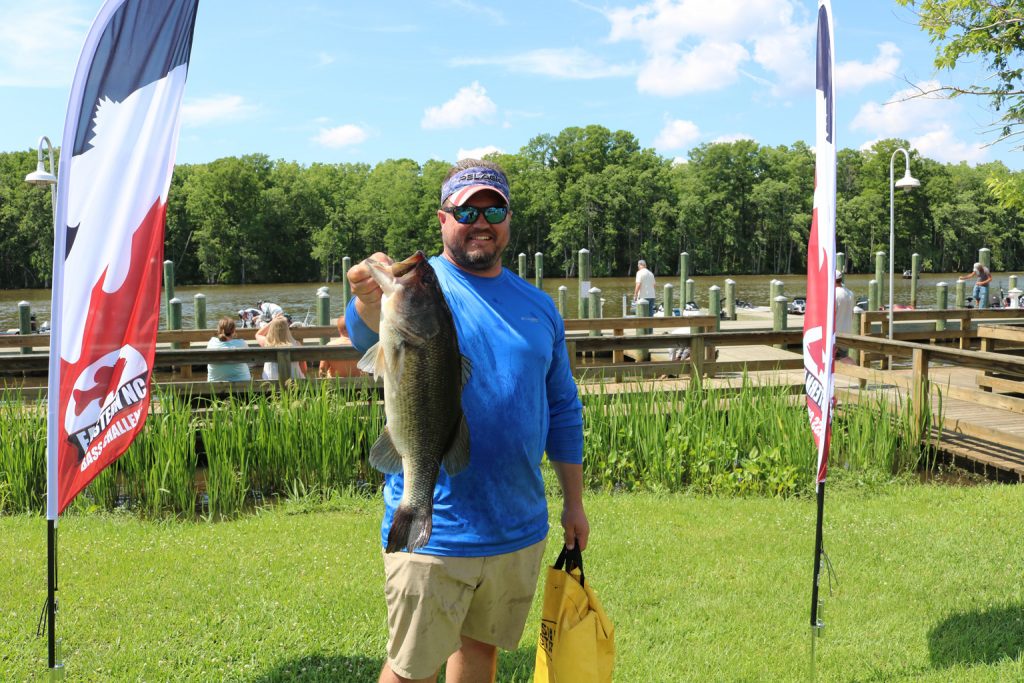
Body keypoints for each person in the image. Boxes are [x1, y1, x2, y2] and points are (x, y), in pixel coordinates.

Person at [345, 159, 588, 683]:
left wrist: (574, 502)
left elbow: (564, 407)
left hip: (516, 526)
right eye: (468, 209)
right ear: (443, 218)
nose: (482, 220)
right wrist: (366, 299)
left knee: (480, 655)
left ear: (507, 220)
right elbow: (367, 333)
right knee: (412, 668)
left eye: (494, 208)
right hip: (439, 535)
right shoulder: (422, 288)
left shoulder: (539, 306)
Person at [255, 314, 306, 380]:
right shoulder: (297, 345)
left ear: (272, 329)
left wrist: (273, 321)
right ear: (287, 329)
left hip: (271, 382)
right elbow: (304, 369)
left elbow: (258, 334)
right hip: (294, 382)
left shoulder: (267, 344)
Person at [206, 317, 252, 382]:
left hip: (215, 385)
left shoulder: (212, 342)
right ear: (233, 331)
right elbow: (250, 359)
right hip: (242, 384)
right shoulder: (241, 343)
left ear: (218, 330)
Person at [834, 270, 856, 363]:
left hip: (835, 334)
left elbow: (832, 314)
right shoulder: (850, 293)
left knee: (834, 362)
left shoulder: (833, 294)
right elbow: (852, 314)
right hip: (847, 332)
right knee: (844, 359)